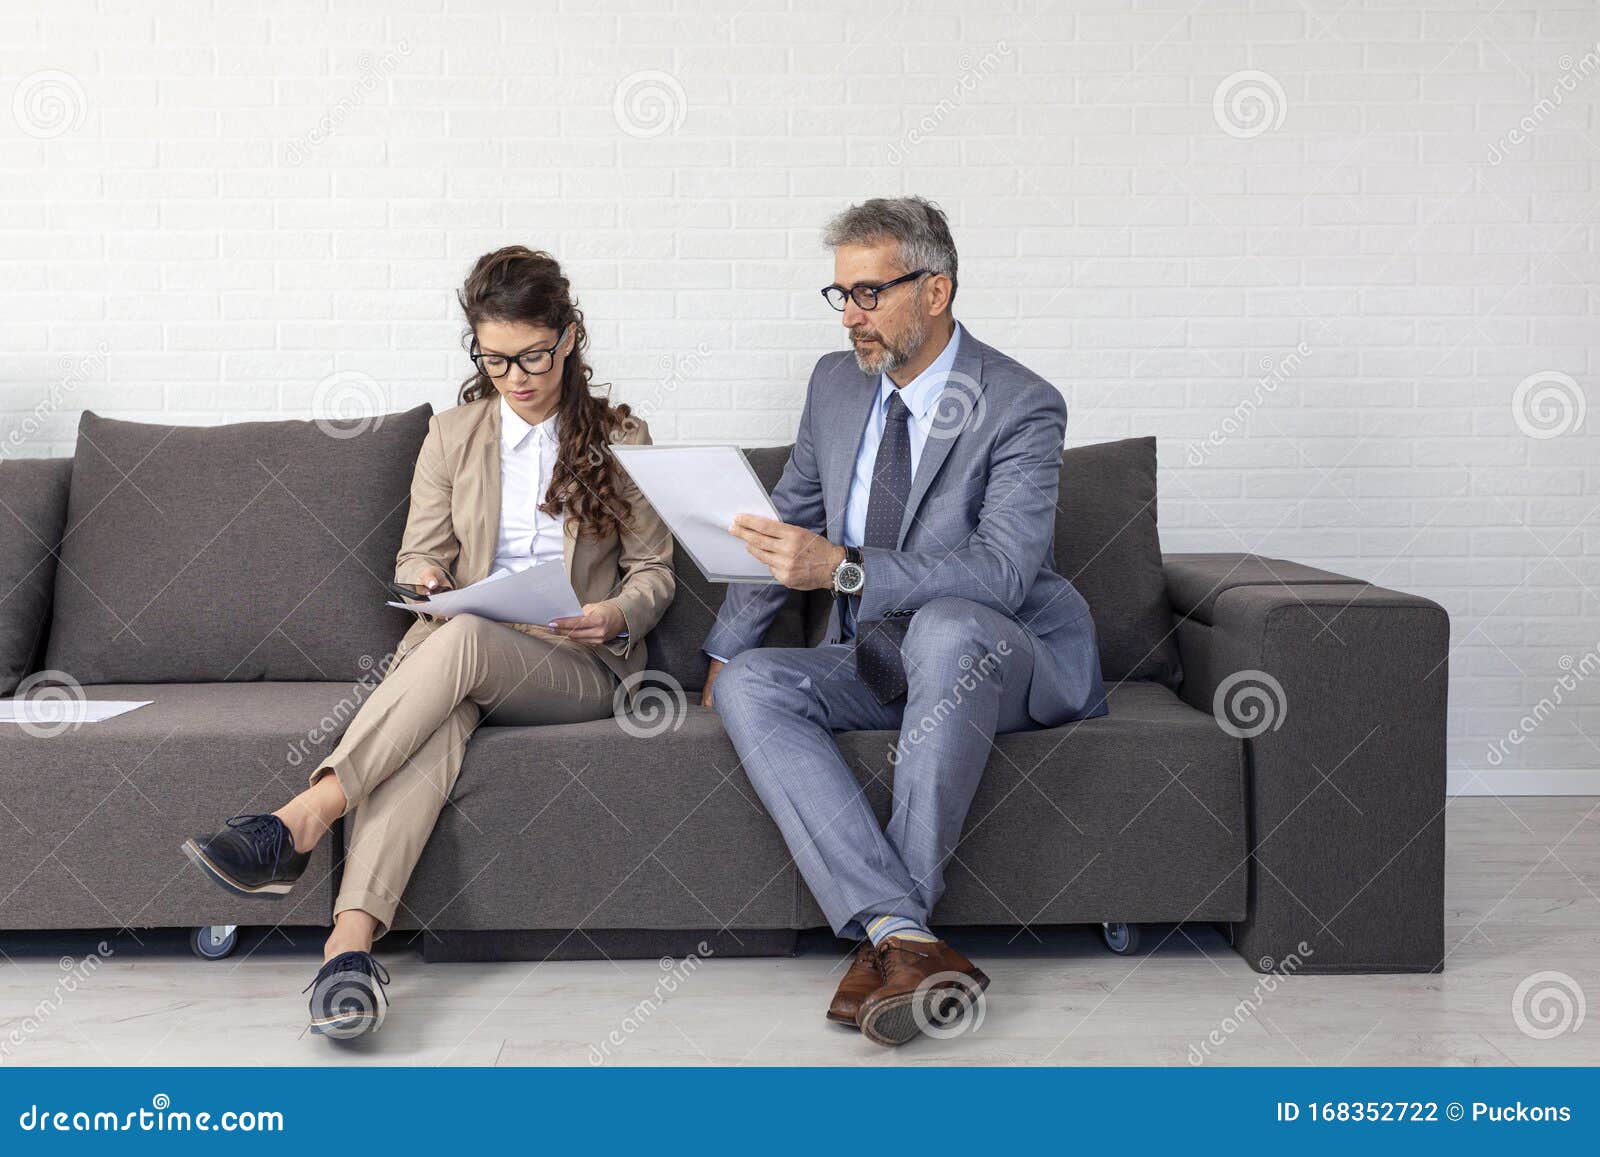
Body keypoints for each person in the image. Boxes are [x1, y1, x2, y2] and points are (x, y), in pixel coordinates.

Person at [180, 247, 675, 1038]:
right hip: (463, 654)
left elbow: (654, 568)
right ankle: (346, 953)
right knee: (434, 720)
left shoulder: (620, 435)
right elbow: (419, 553)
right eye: (495, 358)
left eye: (534, 355)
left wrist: (614, 614)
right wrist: (428, 580)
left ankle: (302, 818)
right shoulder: (453, 435)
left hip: (576, 661)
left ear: (572, 337)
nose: (516, 376)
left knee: (464, 644)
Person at [702, 196, 1106, 1048]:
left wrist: (844, 567)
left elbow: (1003, 570)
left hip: (1000, 655)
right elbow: (791, 519)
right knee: (756, 683)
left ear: (936, 290)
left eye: (870, 293)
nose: (852, 315)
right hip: (872, 658)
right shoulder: (834, 386)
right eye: (840, 295)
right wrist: (725, 649)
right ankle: (906, 939)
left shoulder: (1021, 403)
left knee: (949, 626)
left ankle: (895, 935)